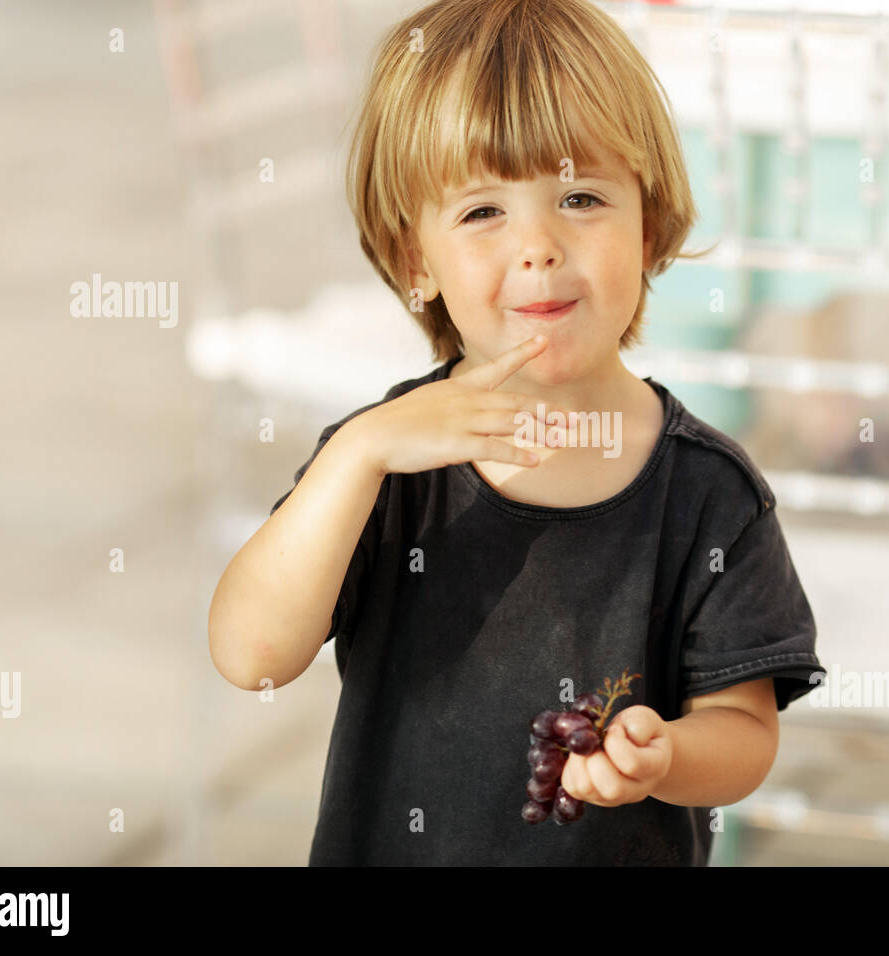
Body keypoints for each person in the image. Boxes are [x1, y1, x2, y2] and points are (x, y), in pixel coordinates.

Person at [207, 0, 825, 866]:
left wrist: (668, 756)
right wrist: (352, 458)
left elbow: (745, 733)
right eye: (482, 212)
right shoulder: (384, 463)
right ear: (414, 259)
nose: (537, 246)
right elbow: (252, 657)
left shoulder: (709, 493)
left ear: (648, 226)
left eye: (580, 197)